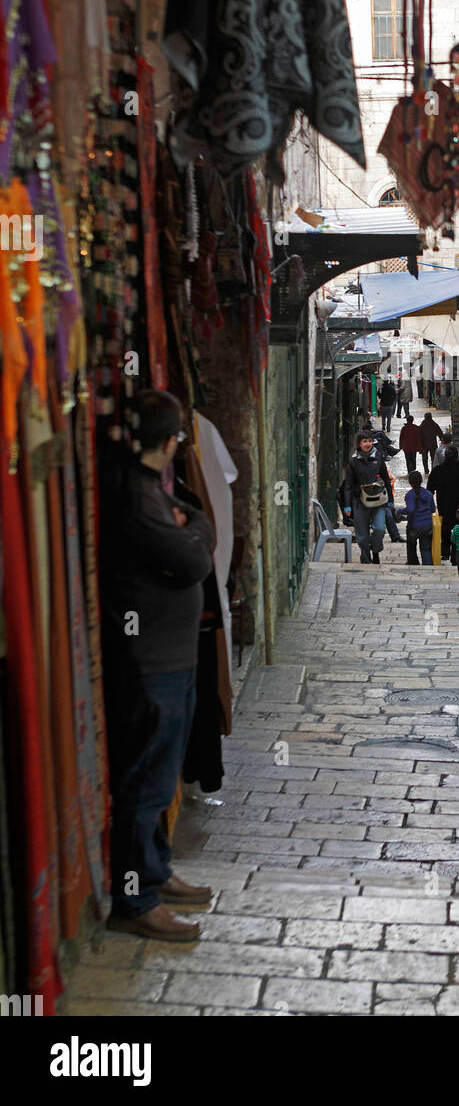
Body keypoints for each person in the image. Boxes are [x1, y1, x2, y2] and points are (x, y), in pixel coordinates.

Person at [99, 389, 216, 943]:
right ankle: (135, 898)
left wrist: (189, 521)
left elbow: (193, 527)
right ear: (170, 442)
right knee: (144, 784)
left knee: (160, 776)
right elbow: (194, 556)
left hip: (170, 655)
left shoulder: (148, 488)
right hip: (150, 662)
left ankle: (155, 871)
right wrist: (194, 526)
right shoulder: (137, 497)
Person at [342, 430, 390, 563]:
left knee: (380, 529)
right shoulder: (353, 461)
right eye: (365, 441)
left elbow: (385, 478)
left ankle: (375, 549)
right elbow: (348, 485)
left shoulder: (378, 457)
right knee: (362, 535)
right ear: (359, 443)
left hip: (378, 500)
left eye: (369, 441)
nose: (368, 444)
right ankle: (366, 559)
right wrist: (347, 505)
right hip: (360, 501)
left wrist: (390, 501)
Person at [427, 445, 459, 555]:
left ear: (445, 456)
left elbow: (429, 489)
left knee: (445, 525)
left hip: (444, 504)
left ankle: (445, 551)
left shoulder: (437, 470)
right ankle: (457, 550)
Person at [404, 470, 435, 566]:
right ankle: (428, 565)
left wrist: (399, 511)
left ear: (410, 482)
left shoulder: (409, 495)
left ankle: (413, 563)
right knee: (426, 548)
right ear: (421, 481)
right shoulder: (428, 494)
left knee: (411, 545)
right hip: (427, 526)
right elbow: (433, 509)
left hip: (414, 525)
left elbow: (410, 509)